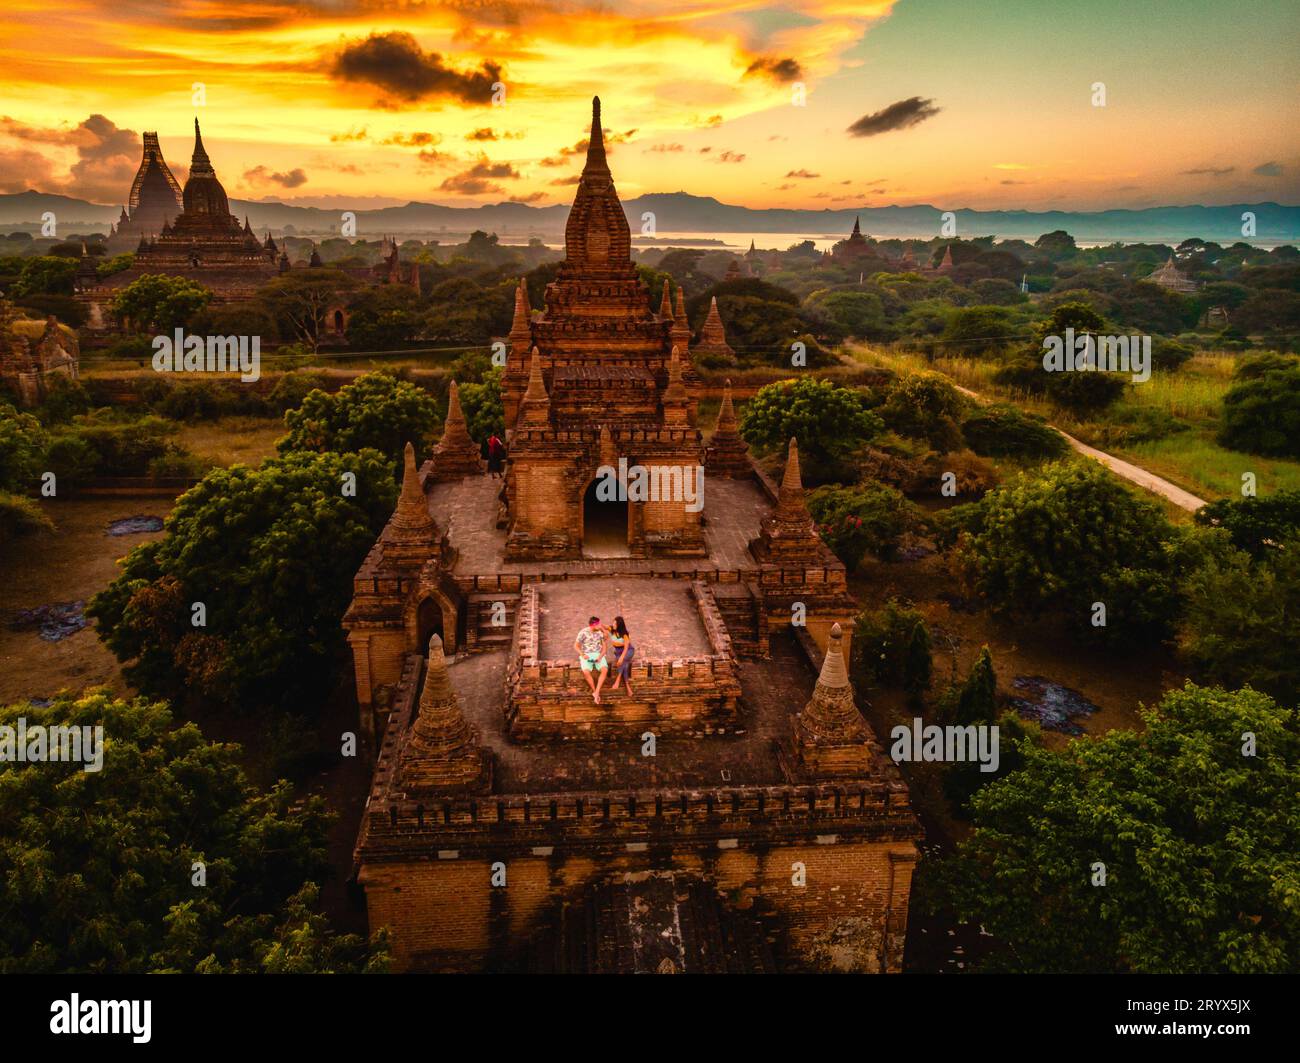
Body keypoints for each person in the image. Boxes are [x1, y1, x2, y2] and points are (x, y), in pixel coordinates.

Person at [574, 615, 608, 704]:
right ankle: (595, 691)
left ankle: (597, 692)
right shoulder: (583, 632)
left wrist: (600, 657)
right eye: (598, 624)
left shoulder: (600, 632)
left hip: (598, 654)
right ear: (593, 625)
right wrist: (582, 654)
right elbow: (576, 646)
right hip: (586, 654)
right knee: (586, 672)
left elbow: (604, 648)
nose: (600, 625)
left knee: (604, 670)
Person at [606, 616, 635, 697]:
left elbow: (626, 648)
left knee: (622, 661)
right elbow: (602, 626)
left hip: (628, 651)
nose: (613, 624)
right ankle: (627, 685)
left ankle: (618, 679)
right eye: (613, 622)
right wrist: (595, 625)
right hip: (618, 652)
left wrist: (622, 657)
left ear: (619, 625)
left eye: (615, 623)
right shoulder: (611, 629)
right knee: (624, 665)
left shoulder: (625, 634)